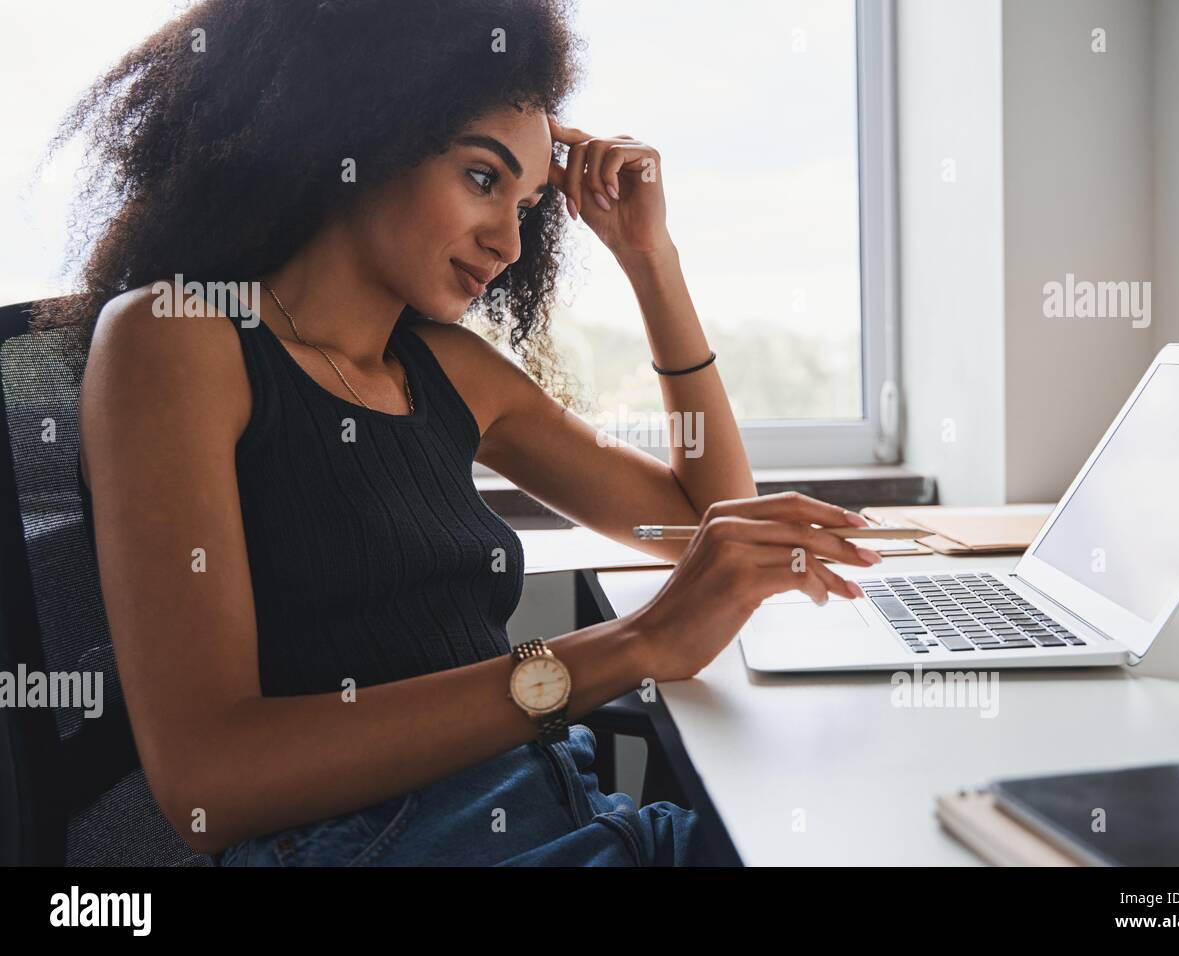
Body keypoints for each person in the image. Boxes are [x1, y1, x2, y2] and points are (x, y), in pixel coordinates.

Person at [42, 0, 882, 866]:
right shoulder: (176, 338)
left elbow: (703, 520)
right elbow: (207, 781)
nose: (509, 243)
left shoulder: (449, 369)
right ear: (360, 127)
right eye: (482, 179)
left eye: (525, 202)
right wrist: (630, 645)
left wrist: (648, 257)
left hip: (568, 812)